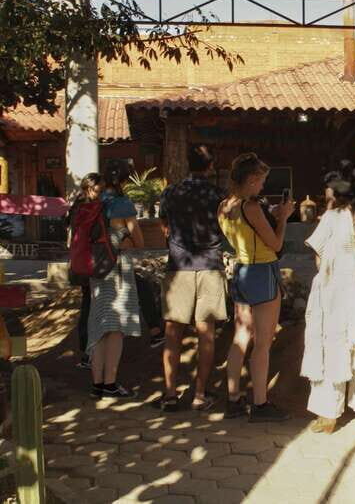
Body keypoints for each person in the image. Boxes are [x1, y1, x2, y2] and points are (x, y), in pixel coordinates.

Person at [301, 162, 355, 434]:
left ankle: (329, 414)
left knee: (333, 348)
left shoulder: (331, 218)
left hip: (335, 292)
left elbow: (318, 258)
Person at [218, 153, 295, 422]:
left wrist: (269, 215)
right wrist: (283, 217)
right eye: (261, 181)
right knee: (263, 342)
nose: (263, 186)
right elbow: (274, 244)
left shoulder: (225, 206)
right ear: (251, 180)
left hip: (240, 270)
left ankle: (232, 398)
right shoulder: (251, 207)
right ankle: (260, 404)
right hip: (262, 271)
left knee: (240, 336)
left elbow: (247, 233)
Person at [157, 144, 228, 412]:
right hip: (210, 265)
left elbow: (164, 225)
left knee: (172, 333)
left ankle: (169, 394)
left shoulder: (171, 192)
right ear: (210, 166)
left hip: (178, 266)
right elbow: (225, 227)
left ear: (187, 163)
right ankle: (199, 394)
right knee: (206, 334)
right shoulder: (218, 195)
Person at [87, 160, 144, 399]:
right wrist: (126, 241)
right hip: (118, 270)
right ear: (124, 180)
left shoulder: (93, 204)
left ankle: (97, 385)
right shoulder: (123, 205)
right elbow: (139, 242)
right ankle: (110, 383)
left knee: (99, 328)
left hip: (96, 270)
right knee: (116, 329)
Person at [65, 173, 104, 369]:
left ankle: (86, 352)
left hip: (79, 262)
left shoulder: (76, 207)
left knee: (87, 305)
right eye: (98, 190)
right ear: (89, 189)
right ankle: (89, 354)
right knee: (92, 309)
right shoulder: (93, 208)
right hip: (92, 262)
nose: (100, 194)